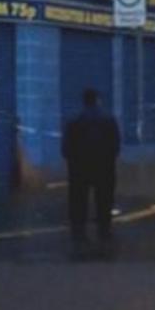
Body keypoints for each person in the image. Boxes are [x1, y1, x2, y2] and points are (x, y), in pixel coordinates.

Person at [61, 89, 120, 242]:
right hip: (103, 166)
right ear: (98, 100)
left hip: (80, 166)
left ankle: (79, 230)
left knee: (79, 199)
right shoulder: (108, 119)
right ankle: (104, 229)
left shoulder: (74, 121)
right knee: (104, 199)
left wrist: (72, 162)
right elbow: (115, 144)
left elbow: (67, 147)